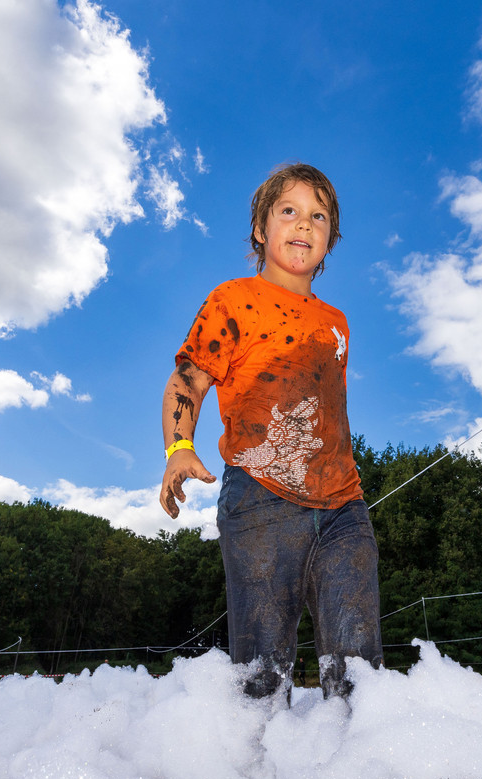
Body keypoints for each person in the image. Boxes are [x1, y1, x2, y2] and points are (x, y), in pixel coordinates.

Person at [157, 163, 381, 701]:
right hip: (259, 499)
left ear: (330, 239)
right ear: (260, 229)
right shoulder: (232, 300)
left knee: (359, 671)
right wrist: (179, 448)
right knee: (261, 672)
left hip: (344, 506)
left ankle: (356, 751)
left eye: (318, 217)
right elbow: (188, 378)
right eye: (289, 211)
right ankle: (255, 750)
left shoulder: (337, 322)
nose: (304, 224)